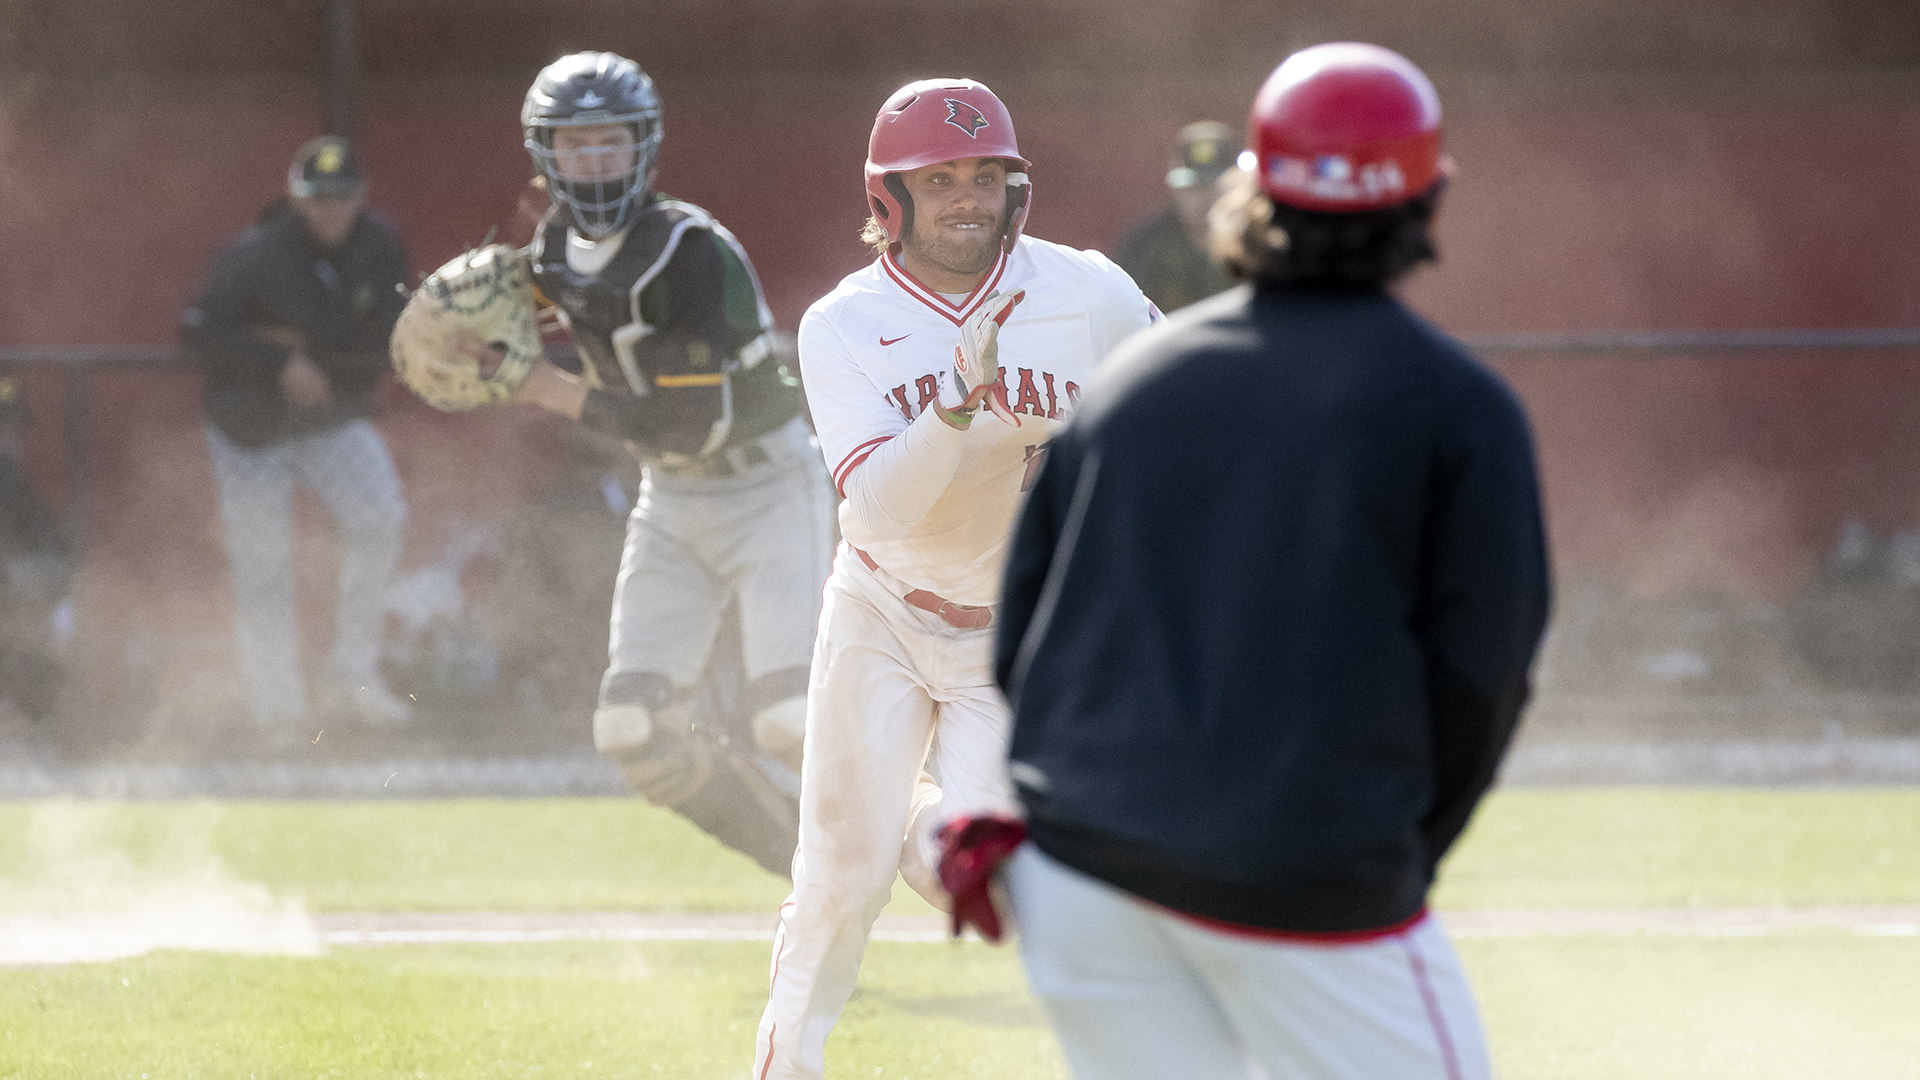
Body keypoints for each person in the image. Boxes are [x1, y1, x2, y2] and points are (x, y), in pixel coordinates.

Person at [985, 43, 1551, 1080]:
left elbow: (1021, 638)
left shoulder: (1131, 382)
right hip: (1306, 876)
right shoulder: (1458, 408)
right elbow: (1482, 674)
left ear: (1254, 190)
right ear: (1431, 200)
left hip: (1082, 875)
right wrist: (1391, 854)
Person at [751, 77, 1158, 1080]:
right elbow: (877, 510)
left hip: (1016, 631)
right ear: (888, 197)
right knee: (835, 887)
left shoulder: (1090, 291)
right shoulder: (841, 324)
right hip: (882, 606)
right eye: (940, 179)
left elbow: (1181, 404)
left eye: (987, 175)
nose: (968, 196)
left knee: (992, 885)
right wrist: (961, 407)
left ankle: (909, 823)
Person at [448, 51, 832, 871]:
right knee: (633, 731)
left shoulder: (692, 251)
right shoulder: (552, 249)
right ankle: (806, 866)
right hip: (674, 496)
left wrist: (540, 387)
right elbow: (546, 299)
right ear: (545, 154)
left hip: (765, 485)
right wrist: (455, 326)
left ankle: (931, 826)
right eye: (576, 145)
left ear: (644, 149)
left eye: (610, 144)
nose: (593, 163)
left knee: (788, 720)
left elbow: (691, 424)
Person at [182, 135, 413, 739]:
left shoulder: (380, 244)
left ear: (361, 198)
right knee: (264, 567)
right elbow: (197, 331)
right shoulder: (256, 253)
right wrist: (277, 359)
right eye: (316, 199)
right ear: (295, 198)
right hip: (249, 427)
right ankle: (278, 714)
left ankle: (352, 677)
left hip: (327, 419)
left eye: (340, 198)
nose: (329, 211)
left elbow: (393, 326)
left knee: (379, 517)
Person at [1113, 121, 1239, 313]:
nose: (1202, 198)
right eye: (1192, 188)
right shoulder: (1145, 244)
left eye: (1213, 186)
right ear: (1175, 189)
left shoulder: (1256, 244)